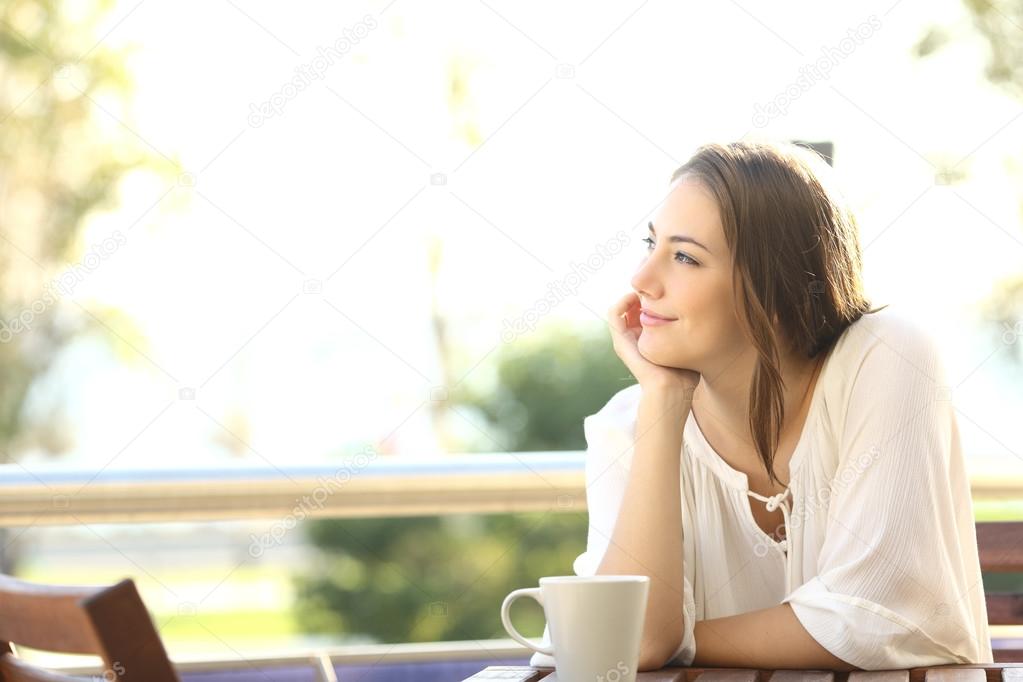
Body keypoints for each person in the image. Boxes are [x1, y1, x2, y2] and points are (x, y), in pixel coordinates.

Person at [528, 140, 992, 672]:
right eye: (649, 243)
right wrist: (664, 401)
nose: (641, 281)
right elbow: (624, 642)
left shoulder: (886, 355)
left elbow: (878, 613)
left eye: (684, 257)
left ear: (774, 288)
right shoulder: (628, 423)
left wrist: (674, 637)